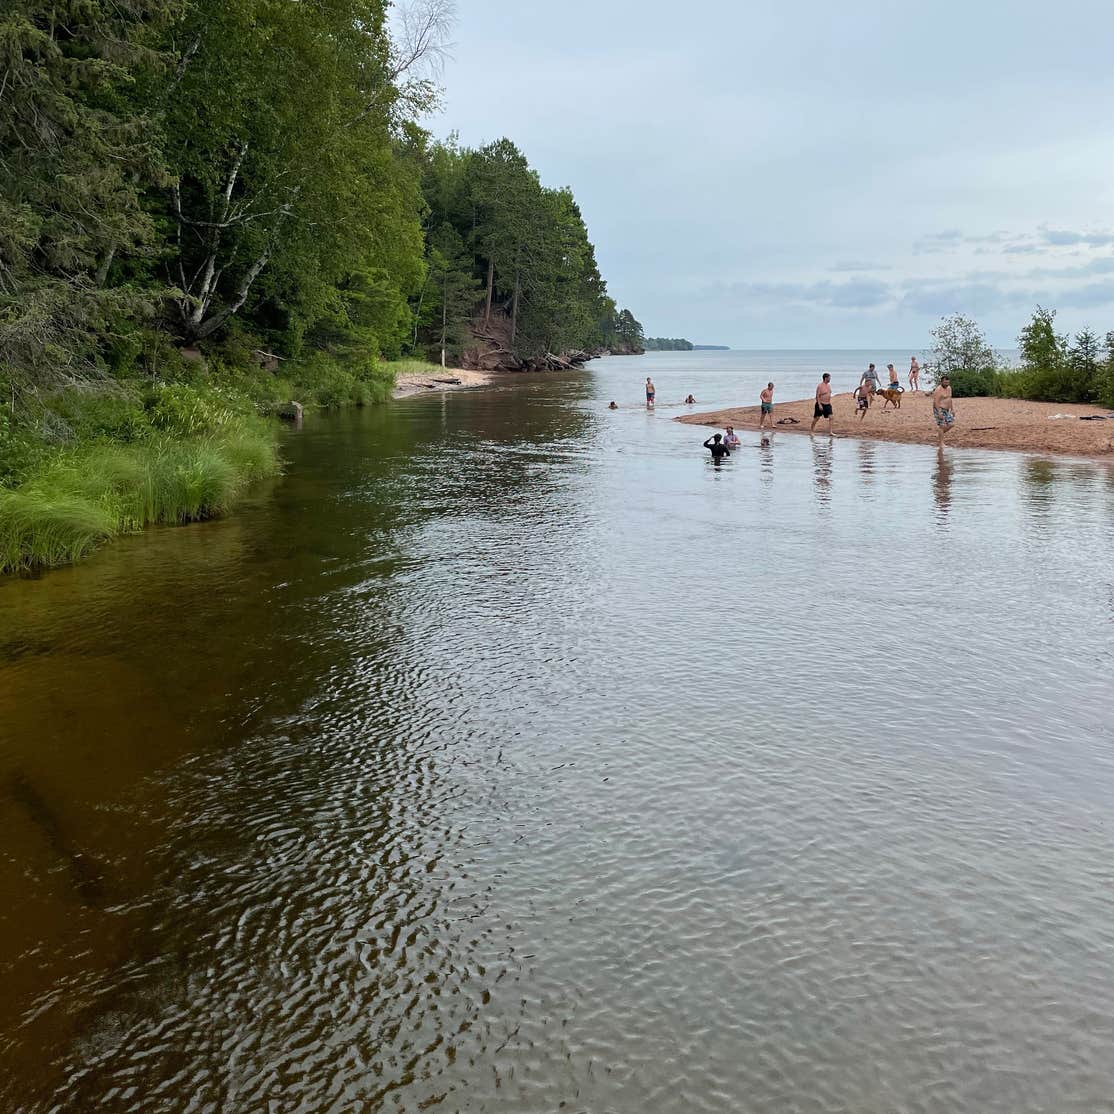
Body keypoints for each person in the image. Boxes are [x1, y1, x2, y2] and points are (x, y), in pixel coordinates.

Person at [932, 375, 955, 446]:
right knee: (942, 426)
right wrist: (939, 412)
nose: (946, 384)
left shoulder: (949, 388)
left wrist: (952, 409)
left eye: (947, 382)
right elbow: (936, 401)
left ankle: (940, 434)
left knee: (951, 424)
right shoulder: (938, 390)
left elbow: (950, 399)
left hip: (947, 409)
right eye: (945, 382)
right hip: (939, 409)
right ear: (941, 382)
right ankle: (941, 443)